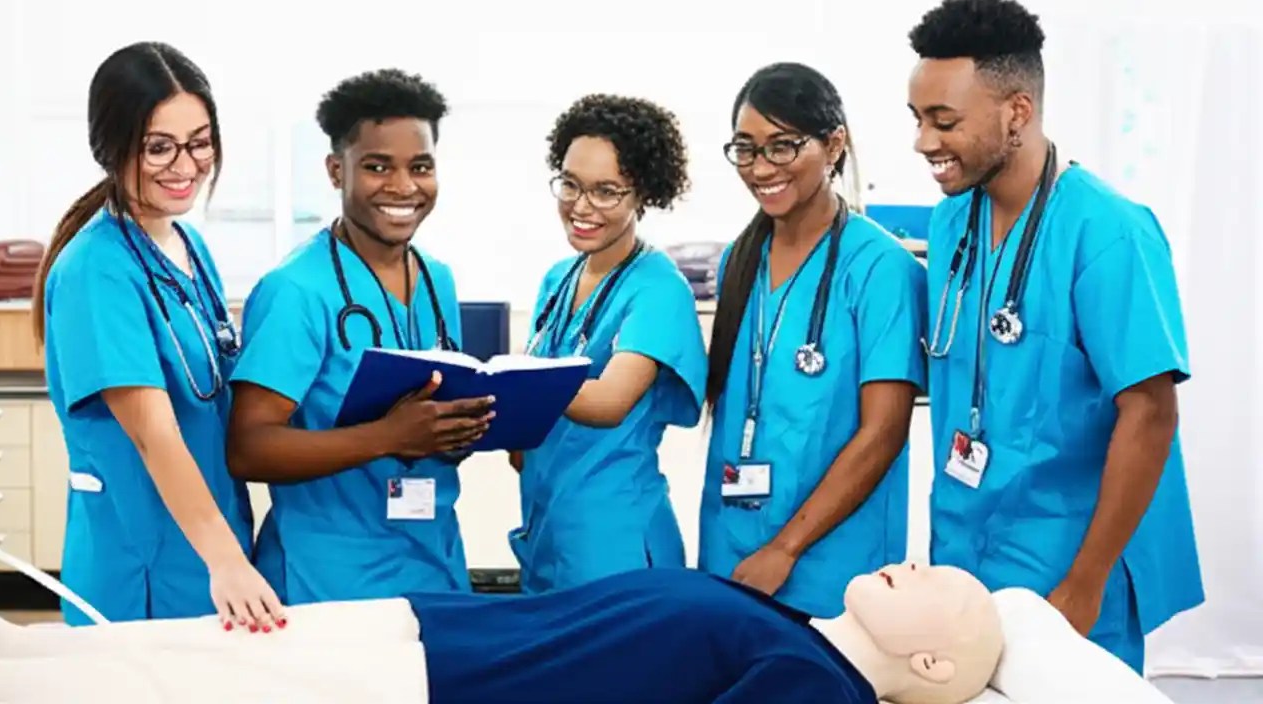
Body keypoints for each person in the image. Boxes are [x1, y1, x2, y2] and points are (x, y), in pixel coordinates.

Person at [907, 0, 1202, 674]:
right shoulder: (952, 223)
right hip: (965, 547)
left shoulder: (1108, 232)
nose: (924, 142)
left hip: (1067, 555)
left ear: (1018, 111)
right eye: (918, 119)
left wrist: (1086, 582)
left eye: (944, 120)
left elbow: (1151, 413)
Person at [31, 42, 283, 631]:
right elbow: (153, 434)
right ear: (109, 148)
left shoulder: (185, 246)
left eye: (199, 142)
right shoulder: (97, 268)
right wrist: (225, 561)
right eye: (158, 147)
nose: (186, 165)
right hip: (141, 569)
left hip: (207, 548)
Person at [0, 562, 1005, 704]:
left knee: (177, 688)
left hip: (441, 684)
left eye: (938, 589)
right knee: (192, 641)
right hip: (437, 624)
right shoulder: (796, 627)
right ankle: (20, 650)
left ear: (928, 664)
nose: (917, 563)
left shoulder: (816, 689)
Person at [225, 69, 494, 605]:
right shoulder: (296, 291)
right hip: (329, 575)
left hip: (431, 558)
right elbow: (248, 448)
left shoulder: (437, 279)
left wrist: (457, 430)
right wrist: (391, 436)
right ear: (335, 170)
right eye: (377, 167)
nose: (403, 187)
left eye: (421, 167)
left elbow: (429, 416)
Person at [698, 62, 929, 619]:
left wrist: (786, 548)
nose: (762, 167)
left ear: (834, 145)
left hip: (830, 568)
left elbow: (884, 431)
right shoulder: (737, 261)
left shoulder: (880, 268)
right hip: (730, 552)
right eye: (746, 149)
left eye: (783, 146)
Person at [508, 93, 707, 593]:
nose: (581, 206)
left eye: (605, 191)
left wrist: (514, 378)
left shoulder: (658, 288)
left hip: (613, 539)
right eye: (570, 184)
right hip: (547, 527)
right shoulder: (558, 278)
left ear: (644, 192)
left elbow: (610, 402)